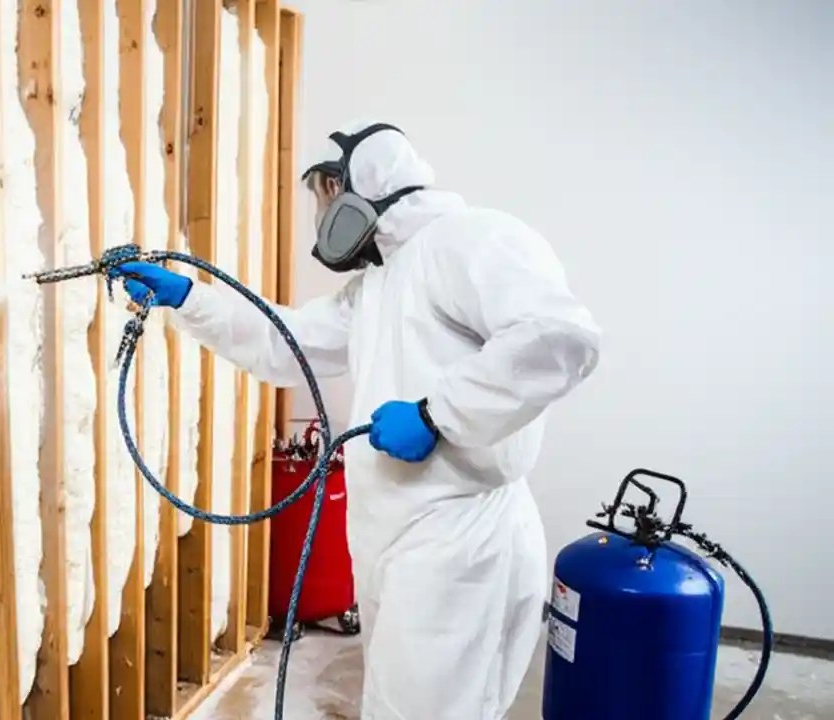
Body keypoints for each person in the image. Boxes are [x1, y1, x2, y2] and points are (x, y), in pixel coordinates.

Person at [114, 121, 601, 719]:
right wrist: (188, 299)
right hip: (406, 539)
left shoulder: (467, 240)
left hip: (459, 541)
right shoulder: (379, 284)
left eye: (322, 193)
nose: (320, 214)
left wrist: (437, 414)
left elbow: (561, 337)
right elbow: (283, 342)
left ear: (354, 185)